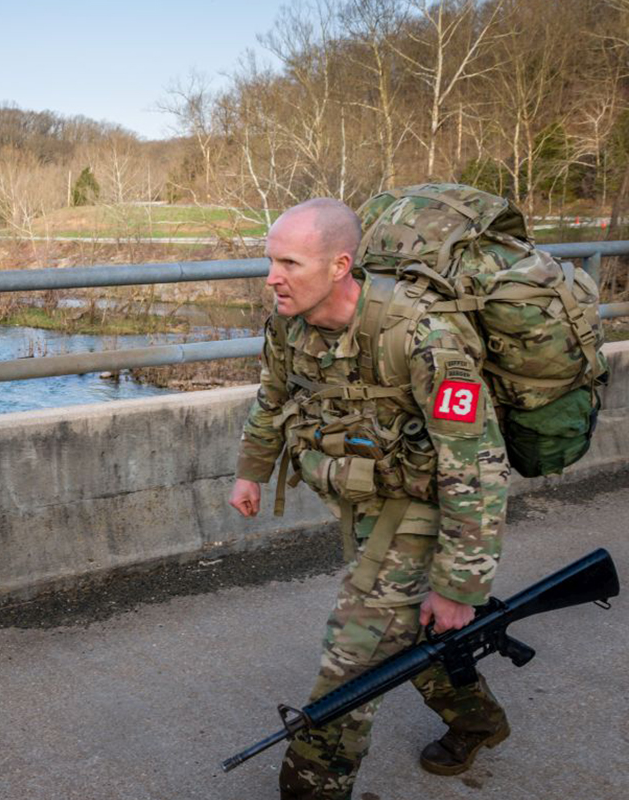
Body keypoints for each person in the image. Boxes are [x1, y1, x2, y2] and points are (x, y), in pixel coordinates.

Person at [229, 199, 510, 799]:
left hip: (428, 509)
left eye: (289, 262)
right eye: (269, 259)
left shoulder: (423, 336)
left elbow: (476, 468)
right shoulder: (288, 323)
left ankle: (312, 789)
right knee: (403, 634)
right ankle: (478, 720)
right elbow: (272, 398)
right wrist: (250, 471)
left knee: (351, 660)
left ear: (339, 265)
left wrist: (460, 587)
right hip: (369, 504)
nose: (271, 276)